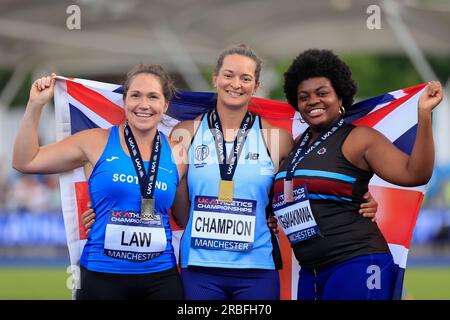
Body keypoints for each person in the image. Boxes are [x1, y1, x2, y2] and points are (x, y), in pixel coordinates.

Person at [81, 45, 378, 300]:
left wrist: (356, 199)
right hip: (200, 268)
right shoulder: (185, 133)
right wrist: (106, 212)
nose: (236, 83)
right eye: (229, 75)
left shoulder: (278, 138)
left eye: (245, 78)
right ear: (215, 78)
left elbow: (304, 182)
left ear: (256, 85)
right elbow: (160, 187)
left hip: (257, 269)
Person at [272, 49, 443, 300]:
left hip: (357, 263)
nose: (313, 101)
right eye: (304, 97)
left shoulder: (358, 138)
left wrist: (424, 115)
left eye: (322, 93)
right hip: (311, 272)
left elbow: (415, 173)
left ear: (340, 95)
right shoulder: (296, 145)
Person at [12, 64, 189, 300]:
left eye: (153, 97)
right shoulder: (95, 142)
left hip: (161, 279)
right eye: (135, 95)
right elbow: (26, 161)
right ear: (125, 101)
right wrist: (36, 105)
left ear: (164, 105)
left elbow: (183, 217)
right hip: (102, 276)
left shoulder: (178, 152)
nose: (143, 104)